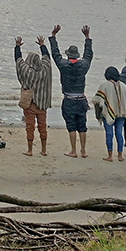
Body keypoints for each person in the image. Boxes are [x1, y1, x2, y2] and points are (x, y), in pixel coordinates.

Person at [46, 24, 93, 159]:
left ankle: (74, 150)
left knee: (71, 125)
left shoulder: (63, 65)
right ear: (77, 56)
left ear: (68, 55)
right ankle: (83, 151)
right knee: (82, 125)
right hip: (81, 98)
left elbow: (55, 54)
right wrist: (87, 38)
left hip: (69, 99)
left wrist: (53, 37)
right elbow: (89, 55)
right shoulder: (83, 65)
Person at [15, 37, 51, 157]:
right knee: (43, 126)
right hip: (42, 103)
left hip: (30, 103)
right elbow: (47, 57)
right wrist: (42, 45)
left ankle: (30, 150)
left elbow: (18, 60)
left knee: (29, 126)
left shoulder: (27, 71)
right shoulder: (45, 69)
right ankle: (44, 150)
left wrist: (18, 46)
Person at [92, 66, 126, 162]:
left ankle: (110, 156)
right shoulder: (123, 85)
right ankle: (120, 156)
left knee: (109, 133)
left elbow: (97, 100)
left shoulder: (105, 85)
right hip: (122, 114)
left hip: (109, 114)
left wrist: (98, 114)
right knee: (119, 133)